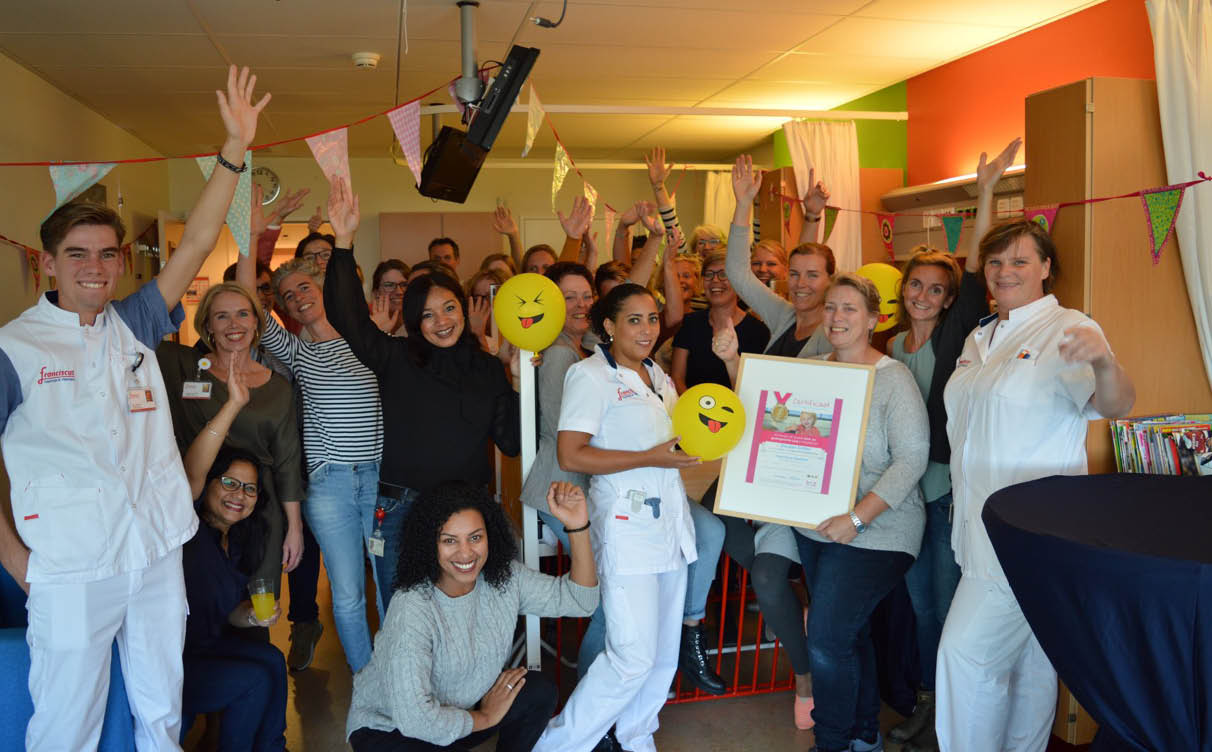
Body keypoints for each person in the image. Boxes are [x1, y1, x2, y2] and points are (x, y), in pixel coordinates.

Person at [0, 64, 268, 750]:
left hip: (152, 552)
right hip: (70, 567)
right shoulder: (15, 349)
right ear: (49, 263)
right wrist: (17, 562)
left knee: (160, 712)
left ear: (122, 263)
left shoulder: (135, 322)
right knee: (66, 726)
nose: (95, 267)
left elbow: (202, 242)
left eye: (108, 255)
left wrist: (233, 151)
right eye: (78, 254)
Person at [936, 218, 1135, 752]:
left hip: (1029, 532)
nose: (1005, 272)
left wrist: (1103, 360)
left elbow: (1115, 405)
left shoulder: (1067, 328)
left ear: (1046, 268)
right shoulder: (981, 335)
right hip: (976, 527)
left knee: (964, 657)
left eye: (1020, 261)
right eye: (996, 261)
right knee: (1030, 665)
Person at [884, 140, 1018, 751]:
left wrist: (985, 191)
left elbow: (973, 269)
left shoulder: (958, 332)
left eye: (937, 289)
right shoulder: (885, 344)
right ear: (903, 287)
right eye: (916, 285)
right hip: (895, 495)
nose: (924, 296)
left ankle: (943, 715)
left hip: (941, 493)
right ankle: (926, 700)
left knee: (940, 607)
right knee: (915, 606)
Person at [696, 154, 836, 729]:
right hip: (758, 471)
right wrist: (745, 202)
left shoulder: (837, 330)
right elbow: (738, 269)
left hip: (807, 485)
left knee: (769, 578)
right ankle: (792, 615)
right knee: (708, 512)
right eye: (794, 274)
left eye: (813, 275)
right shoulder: (782, 318)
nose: (801, 284)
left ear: (832, 282)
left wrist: (813, 220)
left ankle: (803, 678)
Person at [533, 283, 700, 752]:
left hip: (670, 529)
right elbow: (572, 454)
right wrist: (650, 457)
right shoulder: (590, 376)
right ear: (608, 326)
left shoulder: (657, 375)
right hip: (626, 533)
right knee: (630, 657)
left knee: (663, 657)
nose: (647, 330)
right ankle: (555, 746)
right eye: (634, 320)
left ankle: (636, 735)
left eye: (652, 319)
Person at [322, 177, 521, 561]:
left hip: (469, 512)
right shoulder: (396, 357)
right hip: (403, 506)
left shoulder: (489, 368)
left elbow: (510, 442)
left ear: (463, 307)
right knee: (404, 617)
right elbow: (346, 316)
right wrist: (343, 242)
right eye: (427, 315)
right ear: (414, 322)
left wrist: (514, 383)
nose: (441, 321)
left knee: (468, 616)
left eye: (449, 308)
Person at [775, 272, 928, 752]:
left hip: (881, 531)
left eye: (849, 309)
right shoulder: (815, 370)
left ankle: (833, 741)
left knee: (824, 638)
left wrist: (858, 518)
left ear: (874, 320)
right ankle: (864, 737)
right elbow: (782, 432)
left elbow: (911, 460)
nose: (837, 318)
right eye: (831, 308)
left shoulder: (894, 378)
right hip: (819, 527)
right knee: (849, 633)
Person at [237, 221, 390, 675]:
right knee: (346, 593)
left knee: (390, 587)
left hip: (382, 480)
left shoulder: (369, 337)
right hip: (331, 487)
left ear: (324, 287)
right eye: (287, 295)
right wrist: (252, 231)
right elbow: (248, 293)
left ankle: (397, 676)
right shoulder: (296, 351)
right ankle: (367, 681)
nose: (298, 297)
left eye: (304, 286)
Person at [347, 481, 598, 751]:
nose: (466, 552)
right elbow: (416, 721)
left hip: (459, 713)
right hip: (393, 731)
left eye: (475, 537)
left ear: (490, 536)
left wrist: (578, 526)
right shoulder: (412, 607)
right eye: (449, 540)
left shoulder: (505, 578)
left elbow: (581, 602)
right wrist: (485, 717)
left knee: (536, 692)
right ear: (429, 544)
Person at [157, 282, 305, 609]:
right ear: (207, 325)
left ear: (256, 321)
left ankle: (255, 659)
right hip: (195, 506)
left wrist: (294, 527)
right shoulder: (183, 367)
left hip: (257, 507)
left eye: (242, 314)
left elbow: (287, 461)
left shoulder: (278, 388)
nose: (234, 325)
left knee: (257, 606)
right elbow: (127, 332)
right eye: (221, 317)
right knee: (197, 604)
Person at [179, 359, 287, 752]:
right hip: (177, 661)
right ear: (206, 483)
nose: (239, 495)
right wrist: (234, 405)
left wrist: (252, 615)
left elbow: (227, 613)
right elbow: (193, 466)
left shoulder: (238, 541)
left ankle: (274, 748)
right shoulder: (186, 531)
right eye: (228, 482)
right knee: (255, 678)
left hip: (210, 645)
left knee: (272, 659)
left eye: (249, 489)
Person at [670, 249, 770, 393]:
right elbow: (677, 378)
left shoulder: (758, 332)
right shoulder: (690, 323)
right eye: (709, 275)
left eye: (723, 274)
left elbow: (757, 388)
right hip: (692, 410)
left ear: (738, 282)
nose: (715, 280)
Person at [370, 259, 409, 337]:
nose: (399, 292)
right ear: (376, 293)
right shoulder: (363, 326)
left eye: (404, 284)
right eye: (389, 285)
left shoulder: (420, 326)